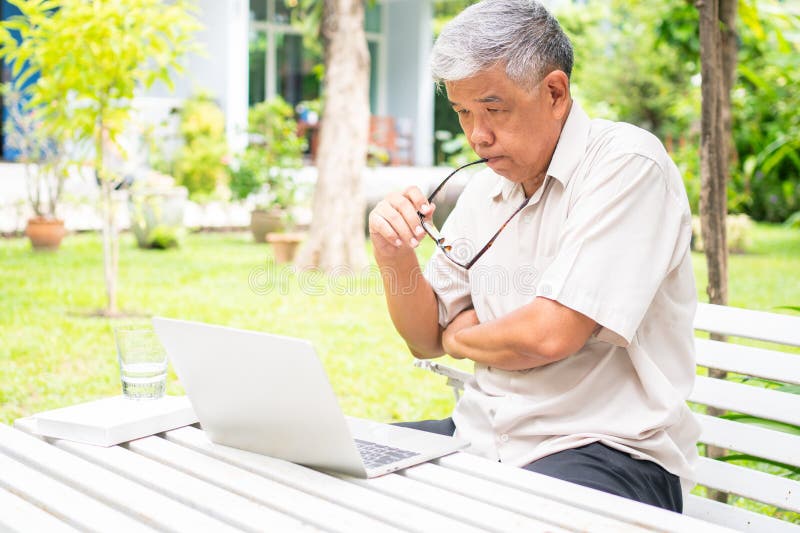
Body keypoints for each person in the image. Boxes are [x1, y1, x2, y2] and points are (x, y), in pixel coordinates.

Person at [367, 0, 699, 514]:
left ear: (555, 92)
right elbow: (422, 337)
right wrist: (392, 254)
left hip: (607, 452)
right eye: (463, 113)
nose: (477, 135)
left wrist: (460, 335)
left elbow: (550, 334)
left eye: (494, 109)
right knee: (331, 464)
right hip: (481, 436)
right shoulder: (485, 191)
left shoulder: (626, 166)